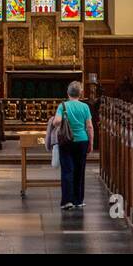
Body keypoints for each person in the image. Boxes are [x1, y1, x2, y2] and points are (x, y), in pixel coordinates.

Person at [52, 81, 94, 210]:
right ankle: (78, 200)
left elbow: (56, 122)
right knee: (79, 171)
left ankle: (67, 201)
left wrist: (60, 120)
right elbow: (89, 126)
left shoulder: (63, 106)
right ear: (80, 94)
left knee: (67, 170)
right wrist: (91, 143)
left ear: (68, 93)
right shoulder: (85, 107)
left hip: (66, 140)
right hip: (82, 140)